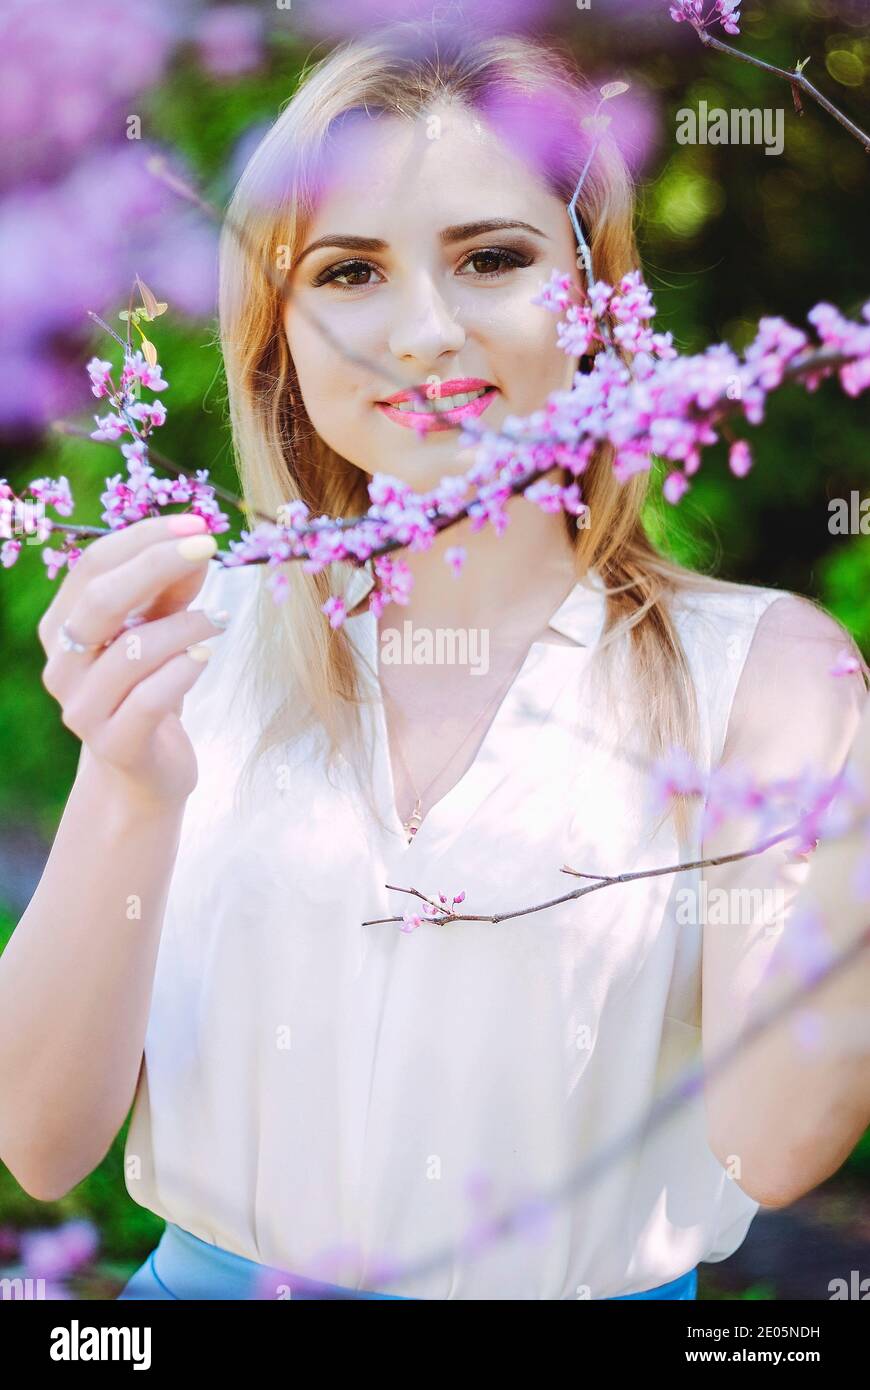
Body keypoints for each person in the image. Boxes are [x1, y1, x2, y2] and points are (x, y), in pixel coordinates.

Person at [1, 24, 867, 1302]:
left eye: (493, 257)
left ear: (596, 294)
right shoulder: (196, 639)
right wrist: (132, 784)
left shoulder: (763, 677)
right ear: (275, 335)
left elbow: (779, 1143)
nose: (422, 332)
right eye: (348, 273)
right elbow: (39, 1137)